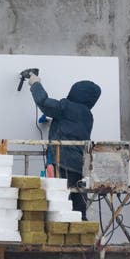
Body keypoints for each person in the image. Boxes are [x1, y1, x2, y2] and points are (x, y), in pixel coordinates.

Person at [25, 72, 100, 219]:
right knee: (78, 205)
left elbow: (43, 102)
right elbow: (71, 128)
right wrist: (55, 122)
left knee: (60, 204)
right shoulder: (87, 114)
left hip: (63, 162)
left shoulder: (68, 107)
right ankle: (81, 230)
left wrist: (35, 83)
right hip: (79, 166)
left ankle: (63, 229)